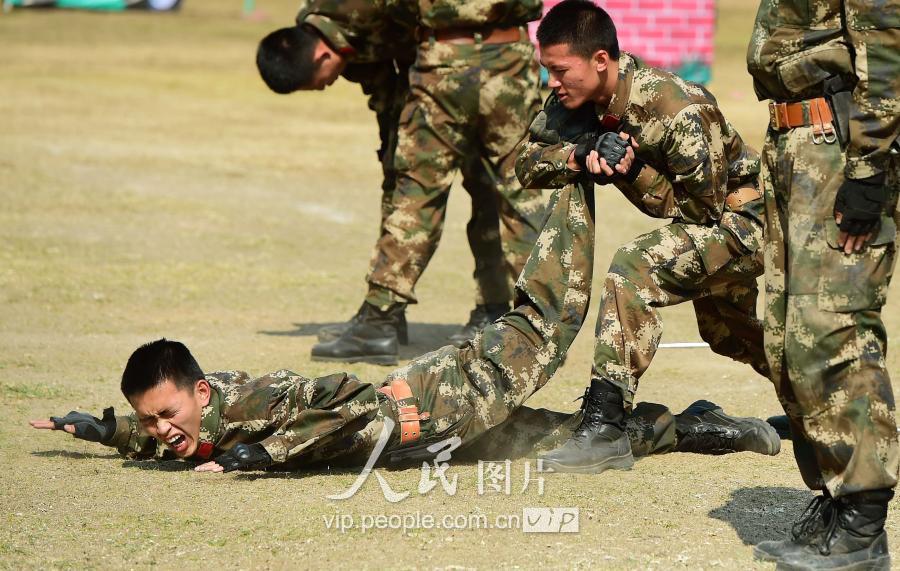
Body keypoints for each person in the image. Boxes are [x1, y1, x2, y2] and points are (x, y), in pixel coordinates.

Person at [30, 183, 779, 472]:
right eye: (149, 420)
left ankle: (573, 179)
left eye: (165, 413)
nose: (162, 429)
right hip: (438, 437)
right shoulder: (193, 421)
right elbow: (166, 435)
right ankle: (712, 427)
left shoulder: (252, 400)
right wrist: (100, 430)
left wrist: (255, 454)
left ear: (201, 391)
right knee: (570, 438)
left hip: (441, 395)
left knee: (546, 314)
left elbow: (347, 405)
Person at [514, 1, 770, 475]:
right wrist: (581, 153)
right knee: (730, 335)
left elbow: (701, 211)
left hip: (744, 222)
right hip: (711, 222)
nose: (552, 82)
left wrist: (632, 170)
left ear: (600, 61)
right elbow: (527, 164)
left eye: (560, 70)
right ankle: (819, 408)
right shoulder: (575, 99)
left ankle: (605, 427)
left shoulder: (677, 107)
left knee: (634, 267)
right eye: (547, 70)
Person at [257, 0, 548, 364]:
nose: (327, 85)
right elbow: (381, 84)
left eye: (319, 82)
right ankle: (520, 318)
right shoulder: (339, 32)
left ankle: (380, 320)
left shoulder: (346, 8)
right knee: (517, 192)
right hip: (510, 57)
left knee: (418, 196)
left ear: (319, 55)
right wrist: (393, 145)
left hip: (446, 66)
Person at [745, 1, 900, 569]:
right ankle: (835, 500)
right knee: (790, 340)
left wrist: (867, 173)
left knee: (834, 328)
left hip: (838, 149)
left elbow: (885, 49)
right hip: (793, 141)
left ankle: (863, 519)